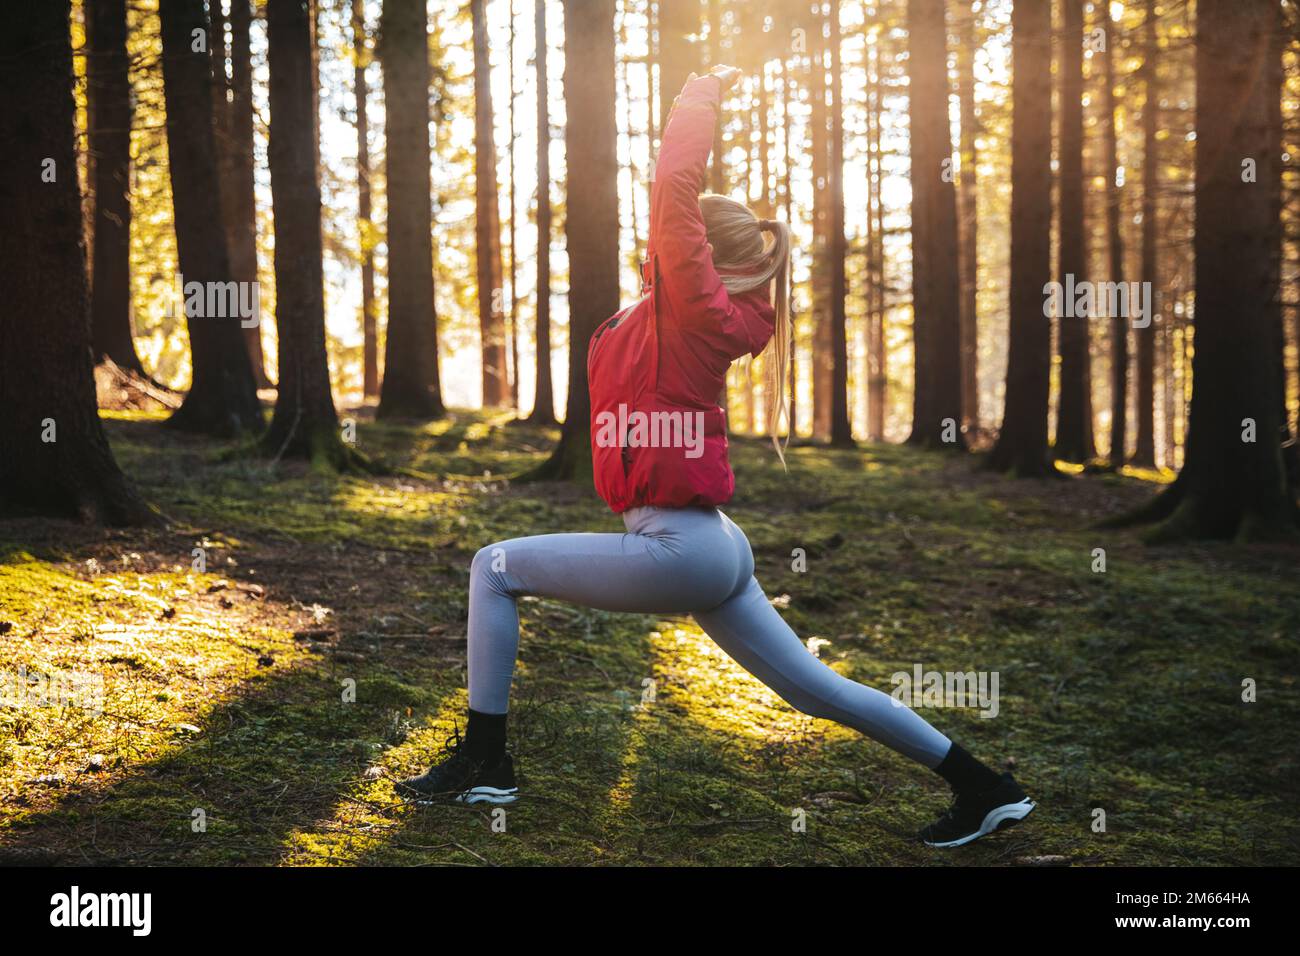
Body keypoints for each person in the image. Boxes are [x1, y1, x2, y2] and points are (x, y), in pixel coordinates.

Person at [396, 66, 1034, 848]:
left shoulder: (697, 309)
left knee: (494, 566)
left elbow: (671, 190)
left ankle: (486, 763)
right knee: (817, 692)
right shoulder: (680, 312)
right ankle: (983, 787)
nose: (660, 240)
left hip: (678, 545)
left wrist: (697, 96)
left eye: (679, 236)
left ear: (702, 251)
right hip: (711, 545)